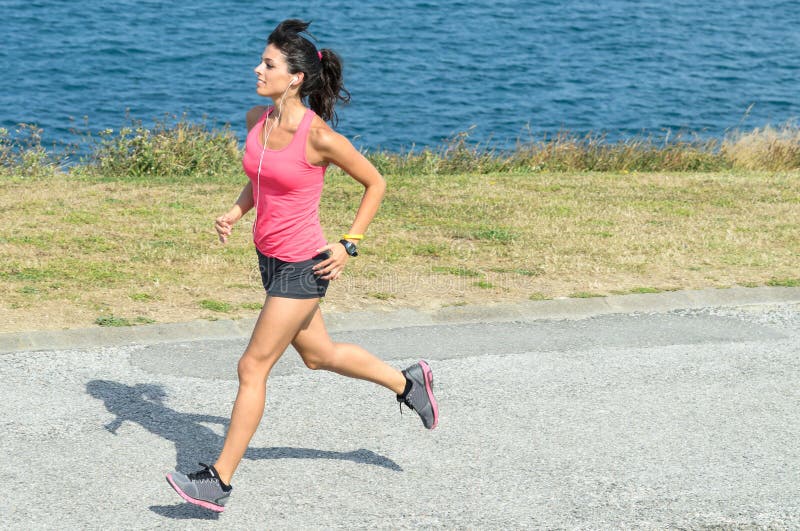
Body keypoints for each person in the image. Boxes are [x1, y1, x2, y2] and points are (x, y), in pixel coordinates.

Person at [165, 19, 438, 513]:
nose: (257, 68)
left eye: (268, 63)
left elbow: (375, 184)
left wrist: (348, 244)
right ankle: (409, 383)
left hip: (302, 265)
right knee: (319, 355)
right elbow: (263, 179)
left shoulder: (321, 137)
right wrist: (235, 210)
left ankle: (218, 481)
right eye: (261, 60)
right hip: (268, 259)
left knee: (252, 366)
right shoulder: (257, 118)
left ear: (293, 77)